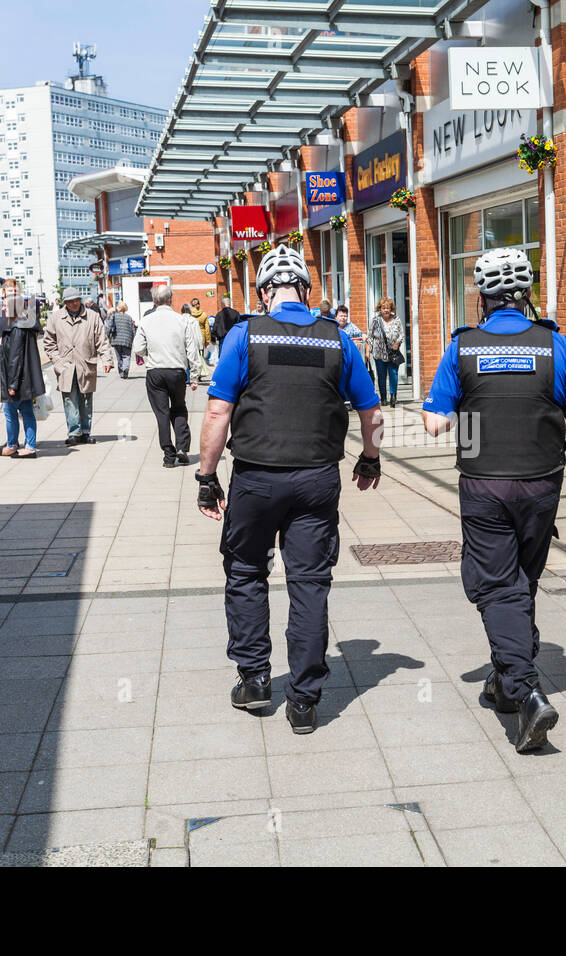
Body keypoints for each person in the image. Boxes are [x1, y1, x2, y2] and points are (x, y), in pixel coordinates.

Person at [421, 247, 566, 754]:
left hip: (483, 484)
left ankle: (524, 694)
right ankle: (507, 681)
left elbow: (436, 423)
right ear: (526, 294)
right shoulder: (554, 344)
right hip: (542, 484)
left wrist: (461, 407)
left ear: (482, 296)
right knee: (522, 580)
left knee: (498, 585)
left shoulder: (463, 347)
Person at [196, 244, 382, 734]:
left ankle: (255, 679)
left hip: (256, 479)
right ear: (306, 289)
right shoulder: (338, 339)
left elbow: (218, 412)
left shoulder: (243, 336)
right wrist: (370, 458)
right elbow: (373, 412)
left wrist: (206, 476)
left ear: (263, 292)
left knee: (245, 572)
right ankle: (304, 701)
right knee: (309, 583)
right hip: (316, 481)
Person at [134, 286, 202, 467]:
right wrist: (194, 376)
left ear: (154, 301)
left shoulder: (146, 320)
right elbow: (192, 350)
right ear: (171, 299)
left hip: (155, 371)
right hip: (177, 371)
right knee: (179, 408)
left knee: (161, 413)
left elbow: (138, 348)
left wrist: (151, 352)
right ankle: (182, 447)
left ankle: (168, 454)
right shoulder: (182, 320)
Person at [44, 287, 113, 445]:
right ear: (65, 303)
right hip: (65, 365)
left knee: (86, 398)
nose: (75, 304)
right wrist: (57, 361)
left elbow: (102, 340)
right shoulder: (55, 318)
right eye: (70, 301)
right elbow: (49, 343)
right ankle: (74, 432)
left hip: (85, 363)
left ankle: (86, 431)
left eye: (77, 300)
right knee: (69, 398)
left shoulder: (93, 316)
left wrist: (106, 360)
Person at [0, 293, 46, 459]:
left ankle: (13, 444)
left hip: (18, 380)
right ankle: (29, 446)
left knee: (10, 411)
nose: (3, 308)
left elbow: (15, 359)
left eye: (6, 305)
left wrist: (12, 385)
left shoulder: (16, 329)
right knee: (27, 411)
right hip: (26, 378)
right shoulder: (25, 325)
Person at [367, 297, 404, 408]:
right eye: (383, 308)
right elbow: (370, 336)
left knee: (393, 375)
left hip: (392, 353)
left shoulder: (397, 319)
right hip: (379, 354)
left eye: (388, 308)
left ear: (391, 309)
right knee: (381, 376)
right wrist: (369, 351)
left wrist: (397, 342)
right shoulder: (375, 320)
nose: (386, 310)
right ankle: (383, 397)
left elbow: (401, 334)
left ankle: (393, 397)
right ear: (380, 309)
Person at [106, 301, 136, 378]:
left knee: (119, 357)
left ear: (118, 308)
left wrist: (107, 336)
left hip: (116, 339)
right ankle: (126, 368)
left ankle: (121, 372)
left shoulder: (114, 316)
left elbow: (109, 327)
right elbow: (133, 330)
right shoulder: (129, 317)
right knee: (126, 356)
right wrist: (133, 339)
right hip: (127, 340)